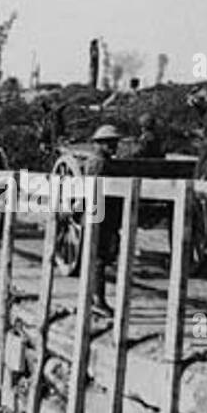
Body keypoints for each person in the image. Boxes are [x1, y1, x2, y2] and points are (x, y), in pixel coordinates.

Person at [82, 124, 124, 314]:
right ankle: (97, 299)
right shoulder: (98, 163)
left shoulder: (102, 161)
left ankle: (94, 298)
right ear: (100, 144)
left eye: (114, 143)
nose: (114, 147)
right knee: (99, 257)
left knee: (100, 257)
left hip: (103, 216)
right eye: (110, 143)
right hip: (99, 216)